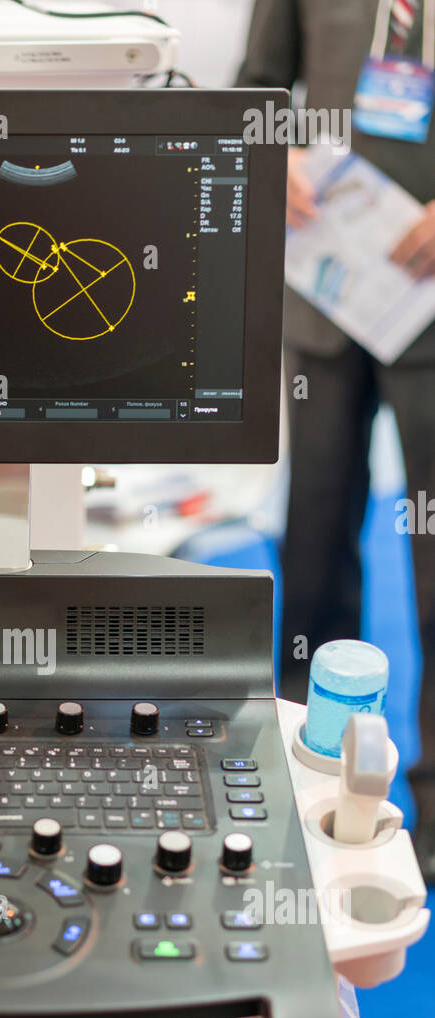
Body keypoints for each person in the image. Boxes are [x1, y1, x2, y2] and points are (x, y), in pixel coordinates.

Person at [237, 0, 435, 880]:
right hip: (327, 286)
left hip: (428, 299)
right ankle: (310, 789)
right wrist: (270, 154)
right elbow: (256, 92)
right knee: (313, 547)